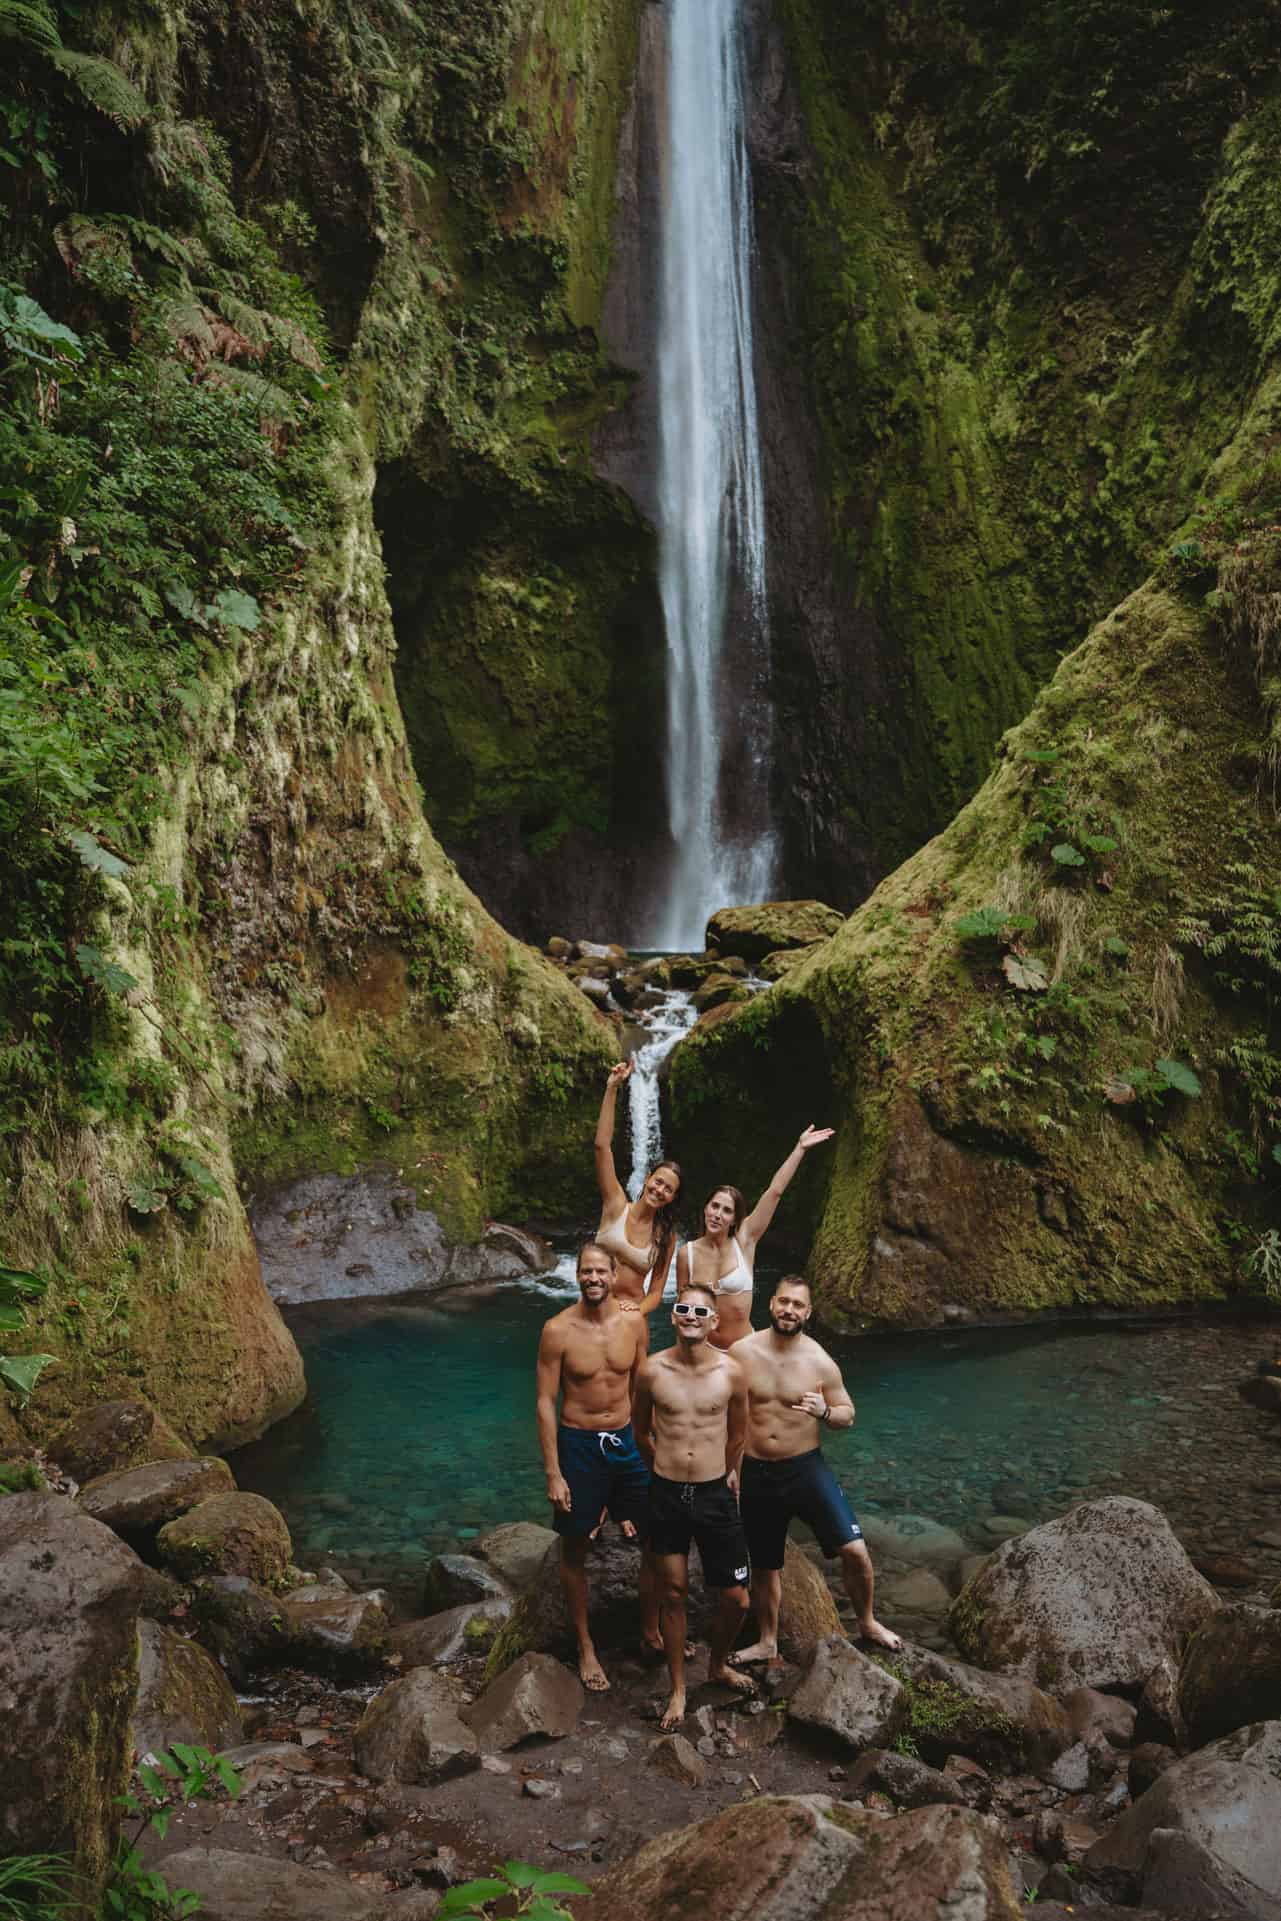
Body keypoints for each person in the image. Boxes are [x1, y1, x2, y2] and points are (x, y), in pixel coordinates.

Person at [733, 1274, 900, 1663]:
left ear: (808, 1312)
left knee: (855, 1550)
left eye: (798, 1305)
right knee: (765, 1564)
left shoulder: (819, 1361)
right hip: (755, 1470)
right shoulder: (741, 1352)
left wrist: (824, 1411)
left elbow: (848, 1415)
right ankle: (768, 1640)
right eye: (784, 1302)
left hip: (805, 1470)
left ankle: (868, 1622)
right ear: (771, 1304)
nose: (789, 1310)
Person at [535, 1241, 656, 1692]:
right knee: (574, 1548)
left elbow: (644, 1388)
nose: (593, 1279)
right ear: (576, 1274)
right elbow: (546, 1403)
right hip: (579, 1444)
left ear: (614, 1273)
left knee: (653, 1536)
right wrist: (553, 1471)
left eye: (601, 1272)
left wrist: (653, 1448)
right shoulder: (557, 1330)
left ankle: (650, 1628)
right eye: (586, 1271)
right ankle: (585, 1646)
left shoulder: (634, 1323)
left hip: (626, 1441)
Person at [631, 1283, 754, 1730]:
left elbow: (739, 1433)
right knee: (674, 1593)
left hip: (714, 1493)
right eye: (683, 1308)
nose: (691, 1316)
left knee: (738, 1599)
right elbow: (640, 1430)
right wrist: (661, 1466)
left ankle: (718, 1663)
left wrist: (727, 1472)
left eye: (701, 1311)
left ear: (715, 1321)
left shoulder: (732, 1372)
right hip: (666, 1494)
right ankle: (679, 1689)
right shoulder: (651, 1370)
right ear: (673, 1316)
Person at [676, 1124, 835, 1348]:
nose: (718, 1215)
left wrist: (800, 1148)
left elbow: (775, 1191)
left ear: (734, 1219)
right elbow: (681, 1310)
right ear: (705, 1208)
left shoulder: (745, 1239)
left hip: (743, 1350)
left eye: (727, 1210)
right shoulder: (687, 1254)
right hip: (703, 1350)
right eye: (715, 1206)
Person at [594, 1060, 682, 1331]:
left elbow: (656, 1291)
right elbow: (601, 1147)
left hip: (630, 1320)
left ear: (673, 1198)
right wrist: (612, 1088)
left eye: (668, 1189)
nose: (660, 1190)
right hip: (593, 1310)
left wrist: (636, 1311)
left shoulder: (666, 1235)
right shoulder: (615, 1205)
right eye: (658, 1182)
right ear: (647, 1179)